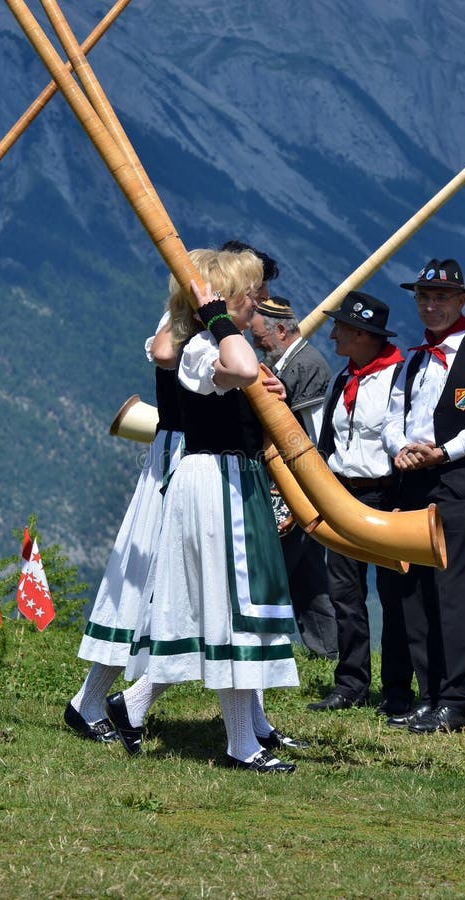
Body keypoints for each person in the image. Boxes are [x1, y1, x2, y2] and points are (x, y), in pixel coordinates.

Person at [107, 248, 304, 772]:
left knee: (213, 606)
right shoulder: (201, 347)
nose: (256, 306)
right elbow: (236, 366)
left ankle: (131, 706)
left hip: (229, 476)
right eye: (249, 297)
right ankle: (241, 745)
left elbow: (244, 382)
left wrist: (271, 393)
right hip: (211, 476)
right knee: (227, 605)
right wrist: (216, 317)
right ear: (225, 301)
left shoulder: (221, 343)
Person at [382, 258, 465, 733]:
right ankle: (428, 693)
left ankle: (456, 699)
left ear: (461, 301)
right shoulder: (415, 357)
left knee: (453, 589)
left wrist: (442, 452)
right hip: (414, 480)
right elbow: (392, 421)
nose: (431, 305)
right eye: (423, 297)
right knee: (413, 588)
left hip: (458, 481)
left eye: (441, 298)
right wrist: (401, 451)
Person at [64, 317, 184, 742]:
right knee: (148, 589)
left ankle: (254, 727)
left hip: (194, 461)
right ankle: (94, 701)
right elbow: (164, 352)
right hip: (181, 463)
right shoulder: (193, 323)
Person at [306, 291, 413, 713]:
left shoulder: (398, 378)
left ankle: (397, 690)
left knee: (394, 592)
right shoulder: (345, 378)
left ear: (362, 335)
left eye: (340, 328)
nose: (332, 335)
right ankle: (351, 682)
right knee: (344, 592)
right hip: (342, 492)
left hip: (384, 493)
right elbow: (330, 441)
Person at [250, 295, 338, 659]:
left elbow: (305, 433)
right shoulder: (289, 362)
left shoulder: (306, 366)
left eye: (259, 336)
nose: (256, 343)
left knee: (274, 566)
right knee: (308, 575)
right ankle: (326, 649)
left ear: (281, 329)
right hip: (297, 482)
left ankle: (261, 645)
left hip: (296, 482)